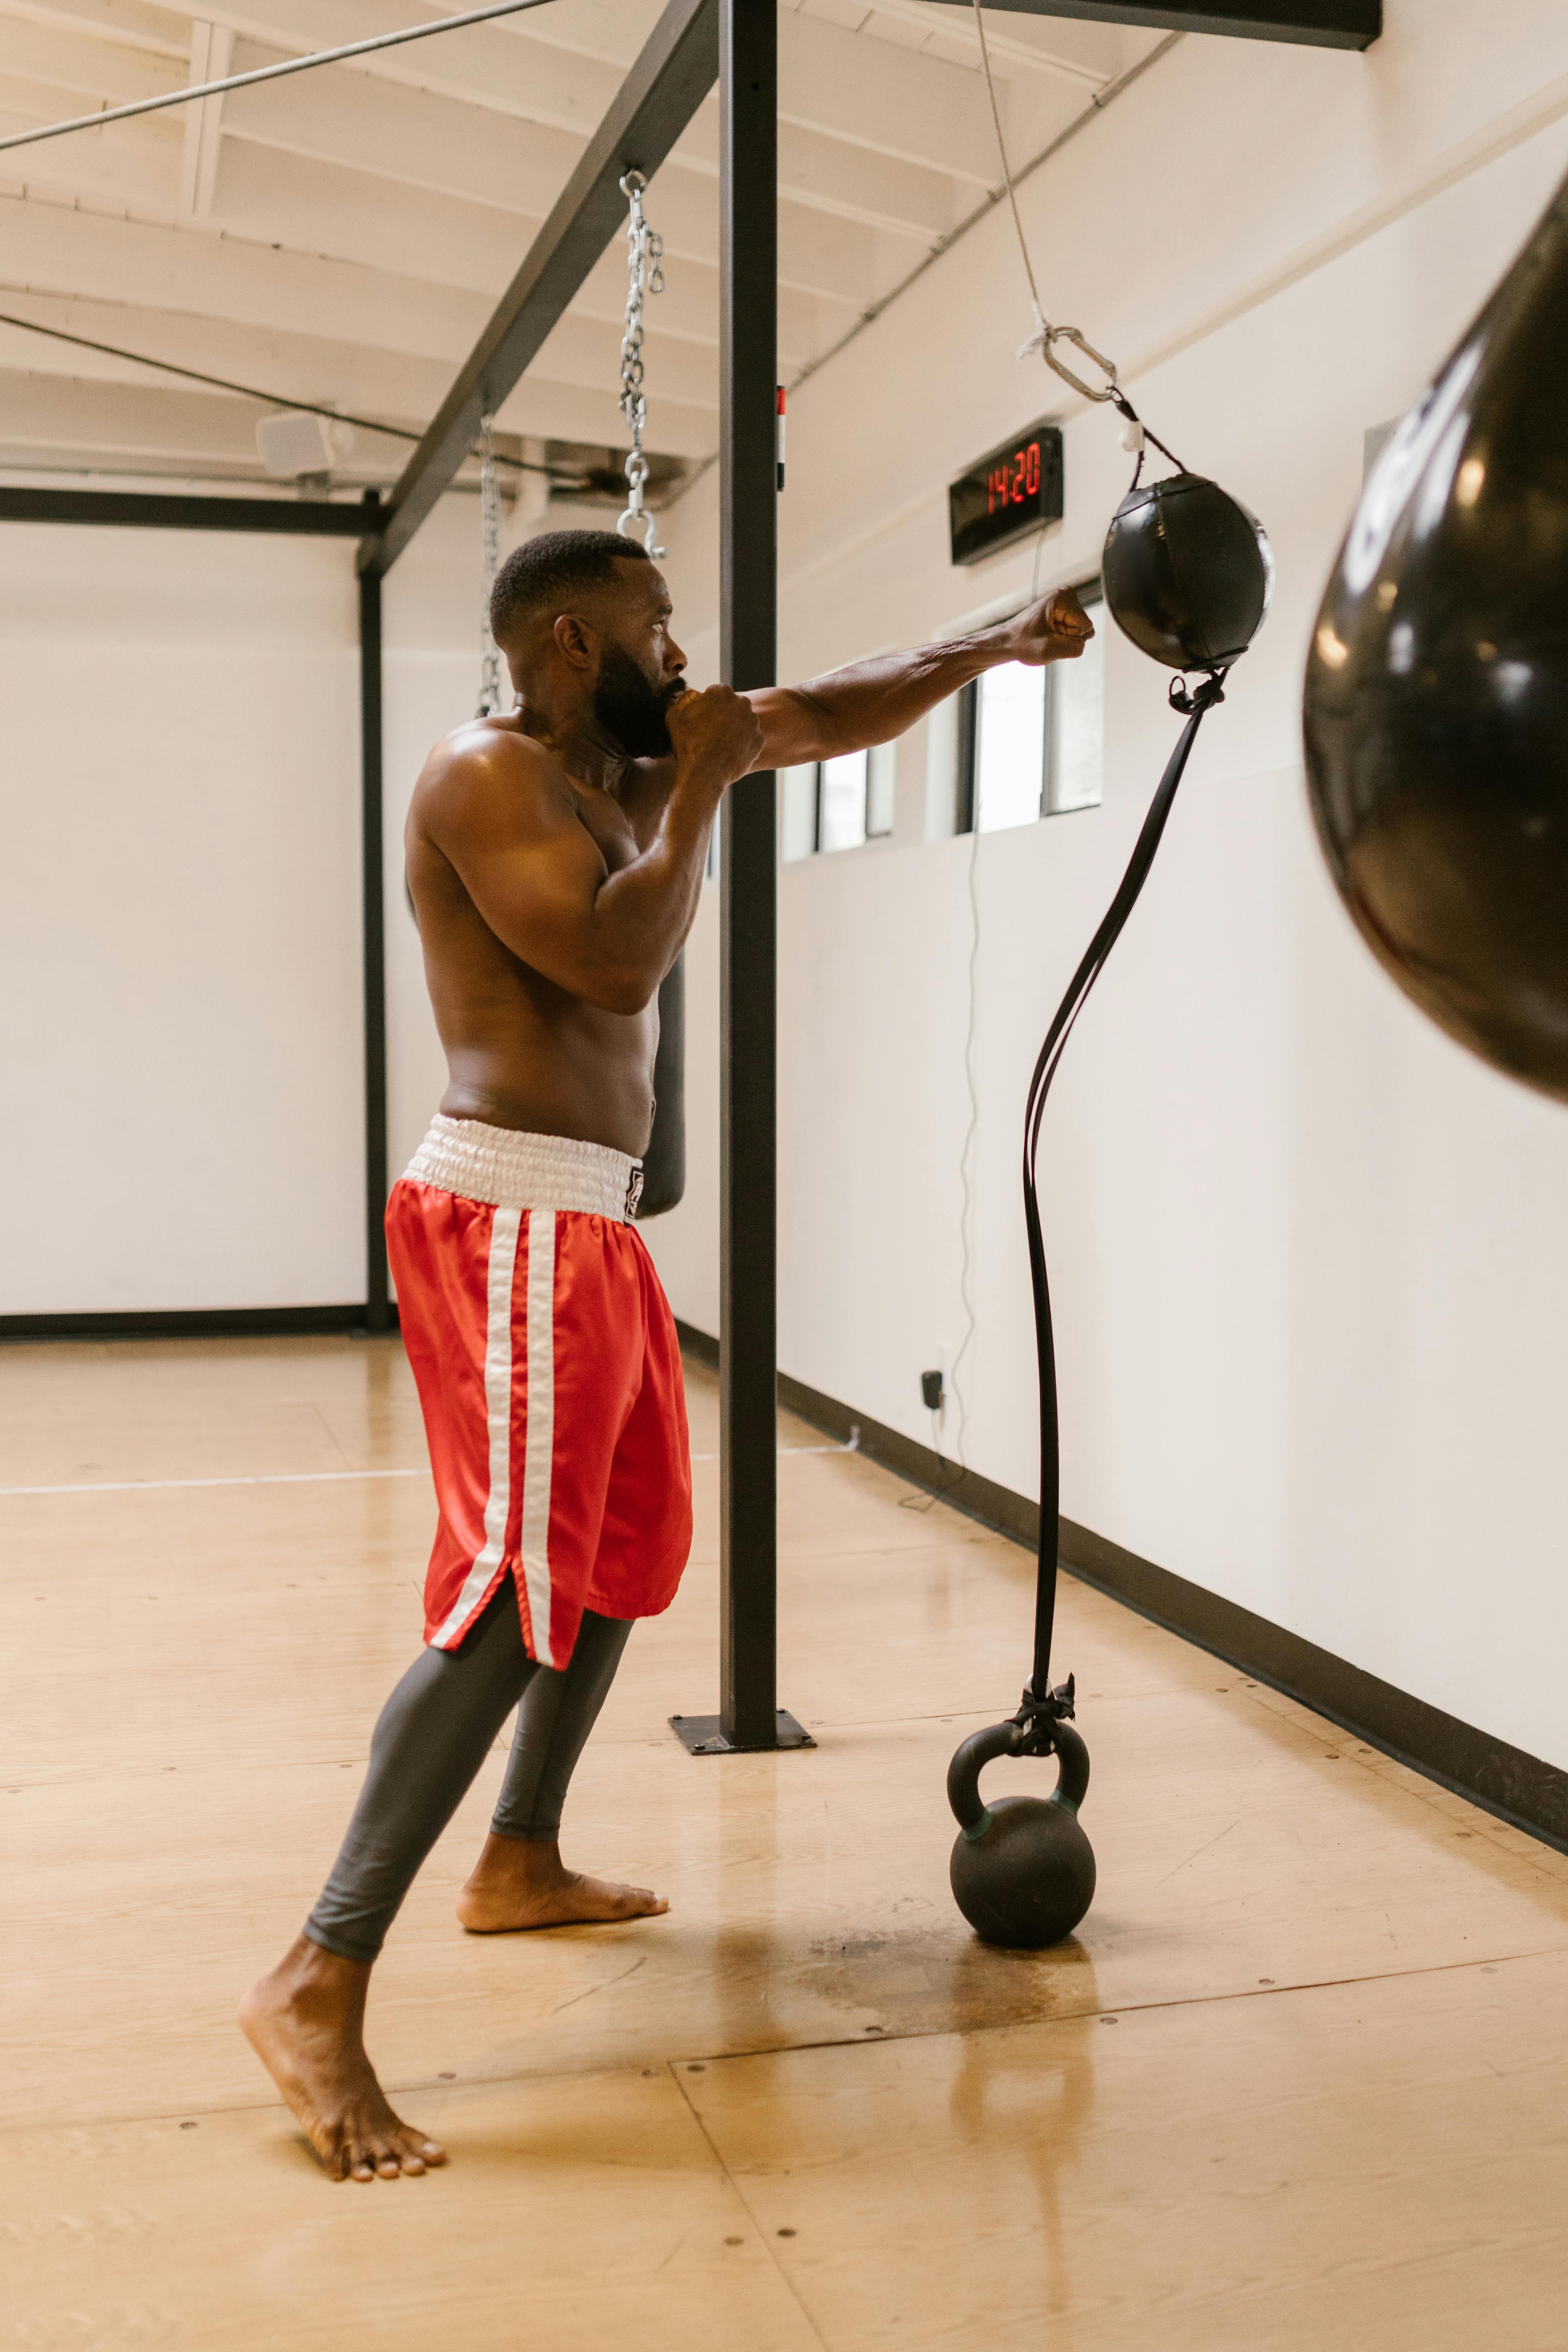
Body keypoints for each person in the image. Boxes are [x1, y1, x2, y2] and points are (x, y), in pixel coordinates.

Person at [240, 528, 1093, 2182]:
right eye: (658, 630)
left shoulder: (634, 749)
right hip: (503, 1226)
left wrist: (999, 640)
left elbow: (831, 713)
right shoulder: (488, 778)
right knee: (511, 1599)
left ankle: (521, 1856)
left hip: (593, 1222)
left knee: (620, 1564)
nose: (685, 657)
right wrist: (702, 789)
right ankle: (317, 1974)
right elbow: (619, 960)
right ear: (574, 641)